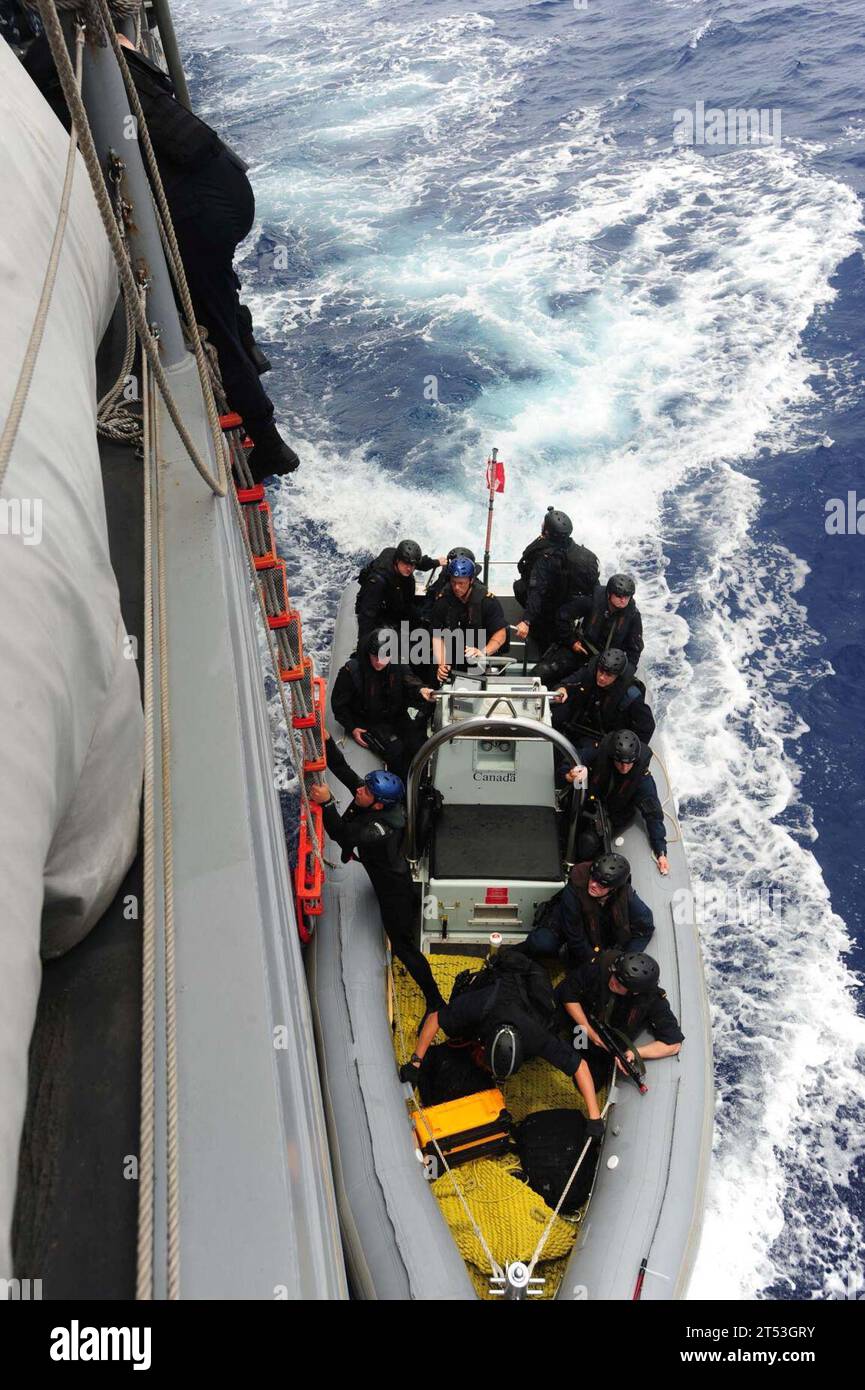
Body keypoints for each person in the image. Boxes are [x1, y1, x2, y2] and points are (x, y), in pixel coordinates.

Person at [23, 29, 301, 483]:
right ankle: (248, 348)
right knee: (219, 289)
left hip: (196, 206)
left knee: (211, 322)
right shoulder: (95, 39)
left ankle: (270, 444)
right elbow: (152, 75)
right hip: (226, 177)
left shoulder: (42, 69)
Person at [400, 948, 604, 1133]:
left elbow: (580, 1066)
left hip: (527, 990)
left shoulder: (536, 1036)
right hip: (499, 988)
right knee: (455, 1030)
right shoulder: (480, 1006)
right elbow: (436, 1018)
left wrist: (594, 1117)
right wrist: (416, 1061)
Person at [310, 772, 444, 1012]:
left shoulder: (378, 831)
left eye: (367, 791)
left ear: (379, 804)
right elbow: (347, 772)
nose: (360, 791)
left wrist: (328, 802)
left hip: (394, 894)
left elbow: (343, 834)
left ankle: (435, 1001)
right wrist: (329, 746)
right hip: (386, 879)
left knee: (404, 947)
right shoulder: (373, 799)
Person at [556, 950, 683, 1086]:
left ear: (635, 991)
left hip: (604, 1042)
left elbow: (673, 1043)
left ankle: (576, 1048)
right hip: (581, 1020)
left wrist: (635, 1053)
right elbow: (568, 992)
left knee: (592, 1081)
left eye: (620, 984)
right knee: (549, 1026)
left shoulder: (652, 1001)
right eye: (615, 976)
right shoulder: (605, 966)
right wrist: (590, 1032)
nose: (613, 981)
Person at [330, 627, 435, 781]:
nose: (379, 662)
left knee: (419, 744)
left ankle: (423, 785)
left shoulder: (397, 665)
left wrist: (421, 690)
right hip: (369, 721)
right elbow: (339, 704)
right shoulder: (352, 671)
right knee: (396, 752)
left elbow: (409, 681)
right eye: (375, 656)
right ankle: (402, 791)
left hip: (396, 715)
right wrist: (352, 727)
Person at [523, 852, 654, 966]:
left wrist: (625, 960)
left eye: (601, 885)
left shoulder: (626, 895)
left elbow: (645, 928)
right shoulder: (574, 890)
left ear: (613, 888)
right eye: (593, 878)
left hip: (599, 930)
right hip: (573, 925)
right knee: (541, 943)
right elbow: (575, 935)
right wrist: (594, 960)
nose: (593, 885)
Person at [567, 729, 669, 873]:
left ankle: (577, 869)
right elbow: (575, 759)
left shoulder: (642, 780)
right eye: (620, 762)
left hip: (610, 815)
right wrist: (569, 775)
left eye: (629, 763)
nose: (624, 767)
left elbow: (653, 814)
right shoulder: (600, 754)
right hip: (588, 801)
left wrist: (661, 851)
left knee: (587, 842)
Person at [512, 507, 599, 655]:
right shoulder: (587, 557)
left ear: (547, 532)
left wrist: (527, 621)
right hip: (571, 606)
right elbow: (594, 585)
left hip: (550, 608)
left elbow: (536, 591)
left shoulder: (545, 560)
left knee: (519, 587)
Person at [534, 573, 644, 687]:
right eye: (619, 596)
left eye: (627, 597)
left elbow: (634, 650)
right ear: (609, 594)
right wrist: (571, 641)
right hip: (582, 650)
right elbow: (563, 615)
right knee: (544, 671)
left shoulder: (633, 616)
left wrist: (623, 674)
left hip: (609, 663)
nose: (623, 600)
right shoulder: (593, 601)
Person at [551, 648, 655, 757]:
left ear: (617, 676)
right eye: (601, 671)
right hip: (578, 721)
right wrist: (562, 688)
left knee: (579, 757)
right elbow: (569, 682)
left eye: (608, 675)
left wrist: (630, 752)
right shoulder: (590, 672)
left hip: (604, 738)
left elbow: (646, 726)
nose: (601, 678)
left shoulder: (630, 696)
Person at [427, 555, 508, 682]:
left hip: (481, 657)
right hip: (454, 657)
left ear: (471, 581)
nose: (456, 587)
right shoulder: (443, 601)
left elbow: (501, 633)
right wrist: (441, 664)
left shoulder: (487, 601)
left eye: (461, 583)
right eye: (453, 582)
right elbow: (437, 636)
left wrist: (483, 652)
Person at [355, 539, 447, 645]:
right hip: (381, 609)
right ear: (397, 560)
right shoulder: (378, 581)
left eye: (412, 565)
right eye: (406, 564)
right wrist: (363, 645)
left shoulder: (404, 560)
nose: (409, 568)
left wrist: (436, 562)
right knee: (393, 640)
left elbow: (418, 562)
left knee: (421, 622)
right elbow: (367, 615)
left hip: (400, 602)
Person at [421, 546, 480, 612]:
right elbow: (432, 594)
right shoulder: (444, 578)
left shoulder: (478, 590)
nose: (457, 587)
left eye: (461, 583)